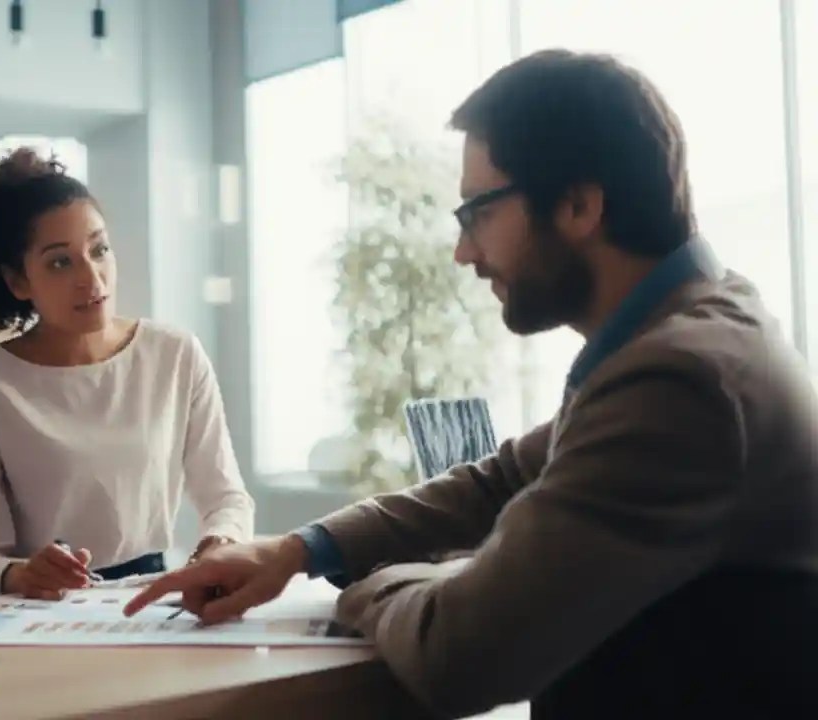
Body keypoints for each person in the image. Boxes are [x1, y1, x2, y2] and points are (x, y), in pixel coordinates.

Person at [126, 50, 818, 719]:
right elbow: (500, 480)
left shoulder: (683, 380)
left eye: (477, 212)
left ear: (578, 205)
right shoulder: (692, 330)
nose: (463, 251)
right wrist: (298, 551)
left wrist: (368, 583)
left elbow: (457, 658)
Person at [0, 149, 254, 600]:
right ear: (18, 282)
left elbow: (228, 499)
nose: (92, 278)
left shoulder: (174, 355)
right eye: (60, 262)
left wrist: (219, 546)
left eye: (99, 249)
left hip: (155, 600)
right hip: (43, 612)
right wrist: (20, 574)